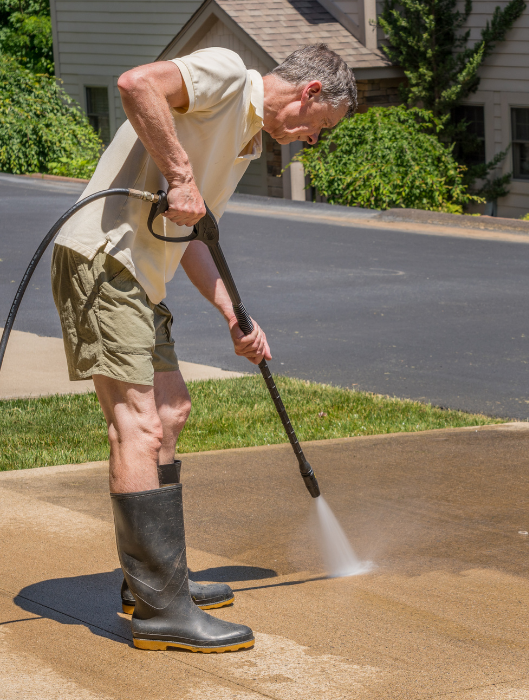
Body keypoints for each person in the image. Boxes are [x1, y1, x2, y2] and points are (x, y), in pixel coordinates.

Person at [50, 44, 355, 653]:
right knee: (136, 426)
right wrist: (183, 177)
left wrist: (234, 316)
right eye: (318, 128)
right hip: (105, 260)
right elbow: (136, 82)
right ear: (310, 93)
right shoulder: (226, 74)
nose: (310, 141)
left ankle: (158, 579)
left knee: (170, 413)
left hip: (141, 273)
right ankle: (162, 609)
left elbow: (189, 230)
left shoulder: (242, 139)